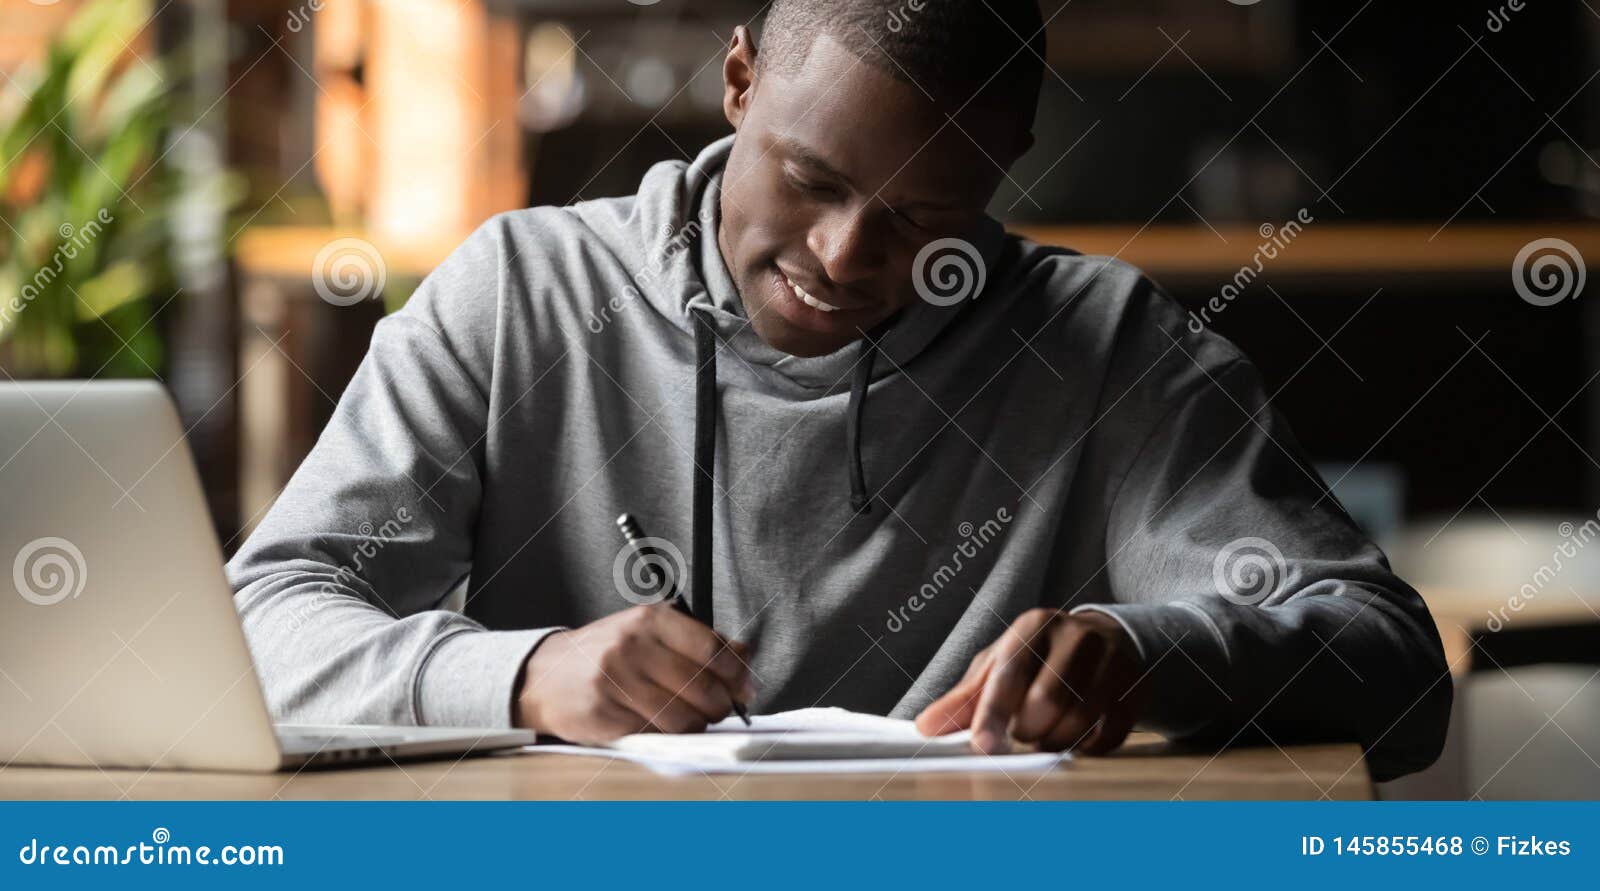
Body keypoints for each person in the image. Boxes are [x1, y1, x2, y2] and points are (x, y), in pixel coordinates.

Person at [228, 0, 1451, 780]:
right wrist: (524, 674)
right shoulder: (520, 296)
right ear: (739, 80)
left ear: (1004, 166)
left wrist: (1150, 656)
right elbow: (261, 624)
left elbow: (1394, 669)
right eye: (809, 179)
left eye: (921, 216)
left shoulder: (1106, 351)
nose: (843, 255)